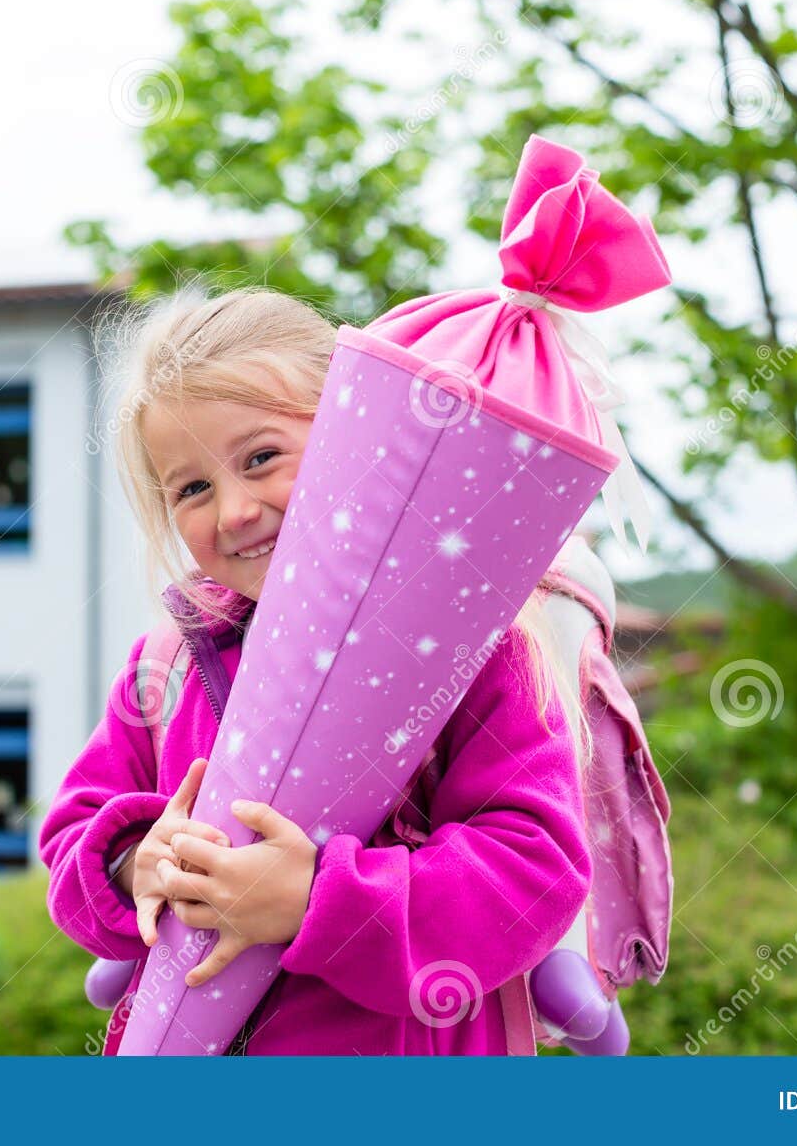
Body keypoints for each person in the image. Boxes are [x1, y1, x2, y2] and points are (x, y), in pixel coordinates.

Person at [38, 286, 593, 1054]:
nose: (232, 510)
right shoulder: (164, 666)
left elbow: (533, 869)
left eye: (261, 457)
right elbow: (70, 835)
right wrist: (136, 863)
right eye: (192, 488)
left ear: (351, 439)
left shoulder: (471, 645)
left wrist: (318, 901)